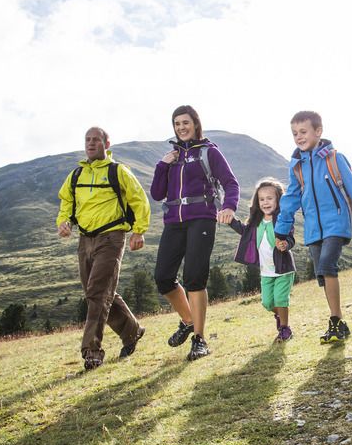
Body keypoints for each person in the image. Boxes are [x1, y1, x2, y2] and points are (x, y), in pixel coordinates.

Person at [274, 110, 352, 343]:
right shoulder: (298, 167)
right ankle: (340, 322)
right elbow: (291, 198)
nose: (299, 137)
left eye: (303, 132)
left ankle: (334, 320)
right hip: (313, 229)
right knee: (321, 274)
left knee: (326, 266)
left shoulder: (334, 158)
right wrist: (281, 229)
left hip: (336, 223)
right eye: (294, 133)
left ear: (318, 131)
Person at [56, 126, 151, 371]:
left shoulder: (118, 171)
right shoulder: (76, 175)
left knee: (97, 293)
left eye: (96, 140)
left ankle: (92, 351)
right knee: (97, 291)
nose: (90, 143)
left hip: (112, 238)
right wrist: (63, 221)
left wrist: (139, 230)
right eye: (87, 140)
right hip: (84, 239)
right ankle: (132, 331)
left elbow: (139, 199)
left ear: (107, 144)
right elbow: (67, 201)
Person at [150, 105, 240, 361]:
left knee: (194, 278)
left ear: (195, 124)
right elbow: (157, 194)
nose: (181, 127)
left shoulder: (209, 152)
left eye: (185, 122)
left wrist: (229, 207)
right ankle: (188, 320)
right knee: (163, 277)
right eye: (177, 124)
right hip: (173, 221)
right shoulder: (172, 157)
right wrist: (162, 165)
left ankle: (199, 339)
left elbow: (230, 183)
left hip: (201, 218)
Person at [224, 178, 296, 342]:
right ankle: (279, 315)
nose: (265, 202)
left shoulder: (282, 219)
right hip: (266, 271)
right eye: (261, 199)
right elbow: (244, 231)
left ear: (278, 199)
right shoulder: (256, 222)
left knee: (280, 299)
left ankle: (285, 329)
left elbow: (290, 238)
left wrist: (286, 244)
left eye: (269, 198)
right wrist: (231, 221)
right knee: (267, 303)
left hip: (283, 269)